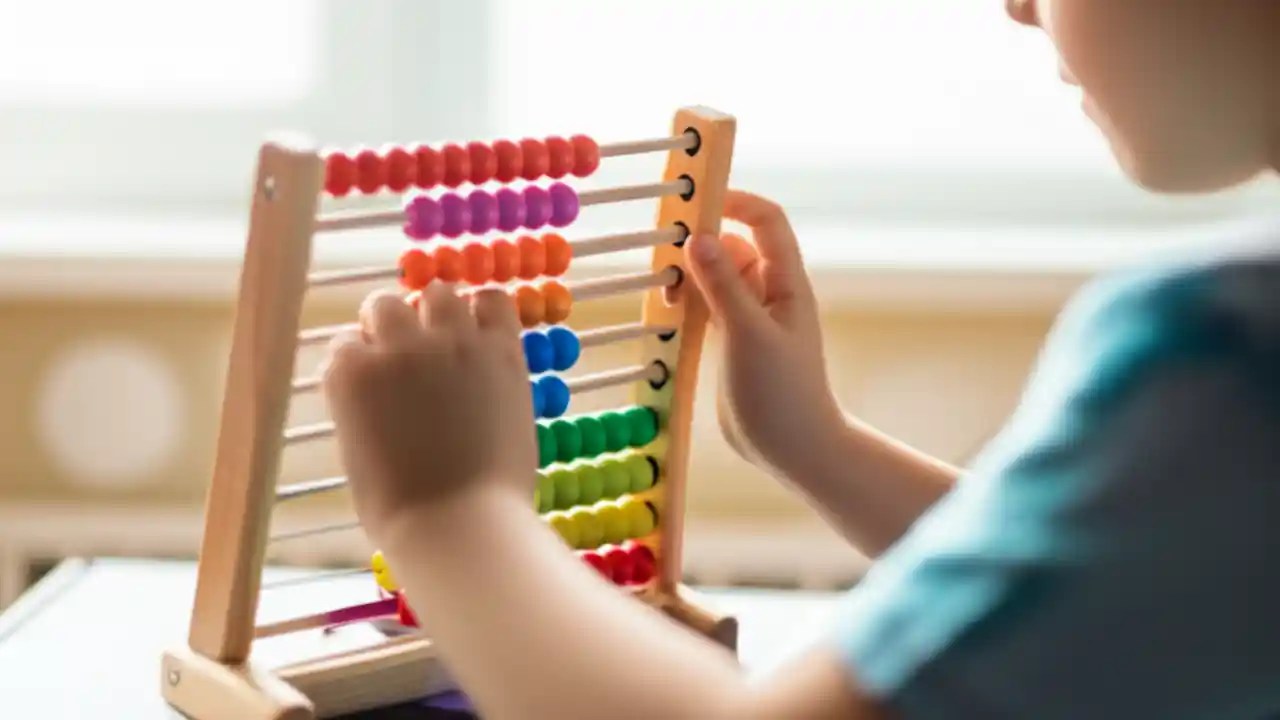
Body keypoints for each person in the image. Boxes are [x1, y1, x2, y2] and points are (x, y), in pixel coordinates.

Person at [320, 1, 1280, 717]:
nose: (1018, 7)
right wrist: (813, 442)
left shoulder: (1231, 357)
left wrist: (447, 515)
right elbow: (1138, 591)